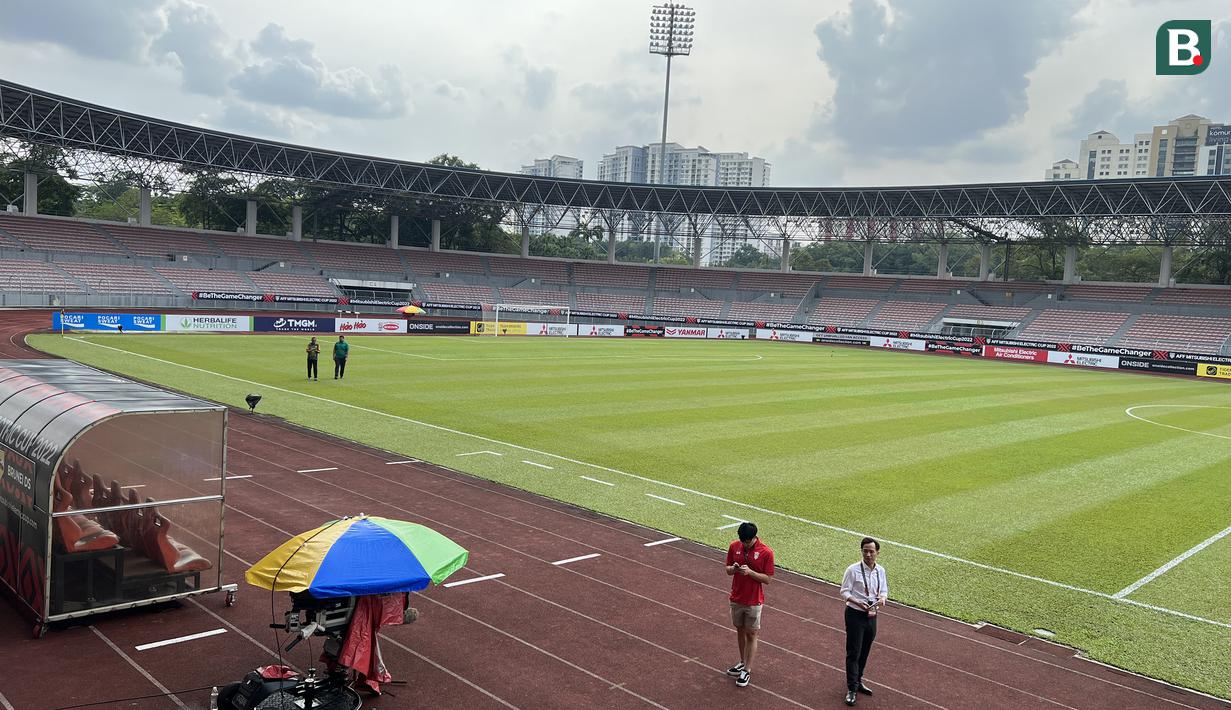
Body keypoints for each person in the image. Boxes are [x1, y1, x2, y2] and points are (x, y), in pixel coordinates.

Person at [724, 521, 774, 689]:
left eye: (747, 541)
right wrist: (735, 568)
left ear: (754, 538)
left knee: (751, 634)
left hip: (753, 600)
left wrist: (751, 573)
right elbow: (727, 569)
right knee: (739, 630)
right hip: (736, 597)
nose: (744, 544)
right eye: (742, 541)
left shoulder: (766, 552)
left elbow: (767, 579)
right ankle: (742, 661)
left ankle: (747, 669)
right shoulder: (734, 546)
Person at [840, 537, 888, 706]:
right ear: (861, 551)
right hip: (855, 614)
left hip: (872, 615)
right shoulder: (853, 570)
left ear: (877, 552)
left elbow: (883, 590)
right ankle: (851, 688)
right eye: (865, 551)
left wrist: (882, 598)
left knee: (865, 650)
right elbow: (844, 591)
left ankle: (858, 680)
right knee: (854, 651)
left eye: (871, 551)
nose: (868, 554)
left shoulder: (880, 570)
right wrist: (856, 601)